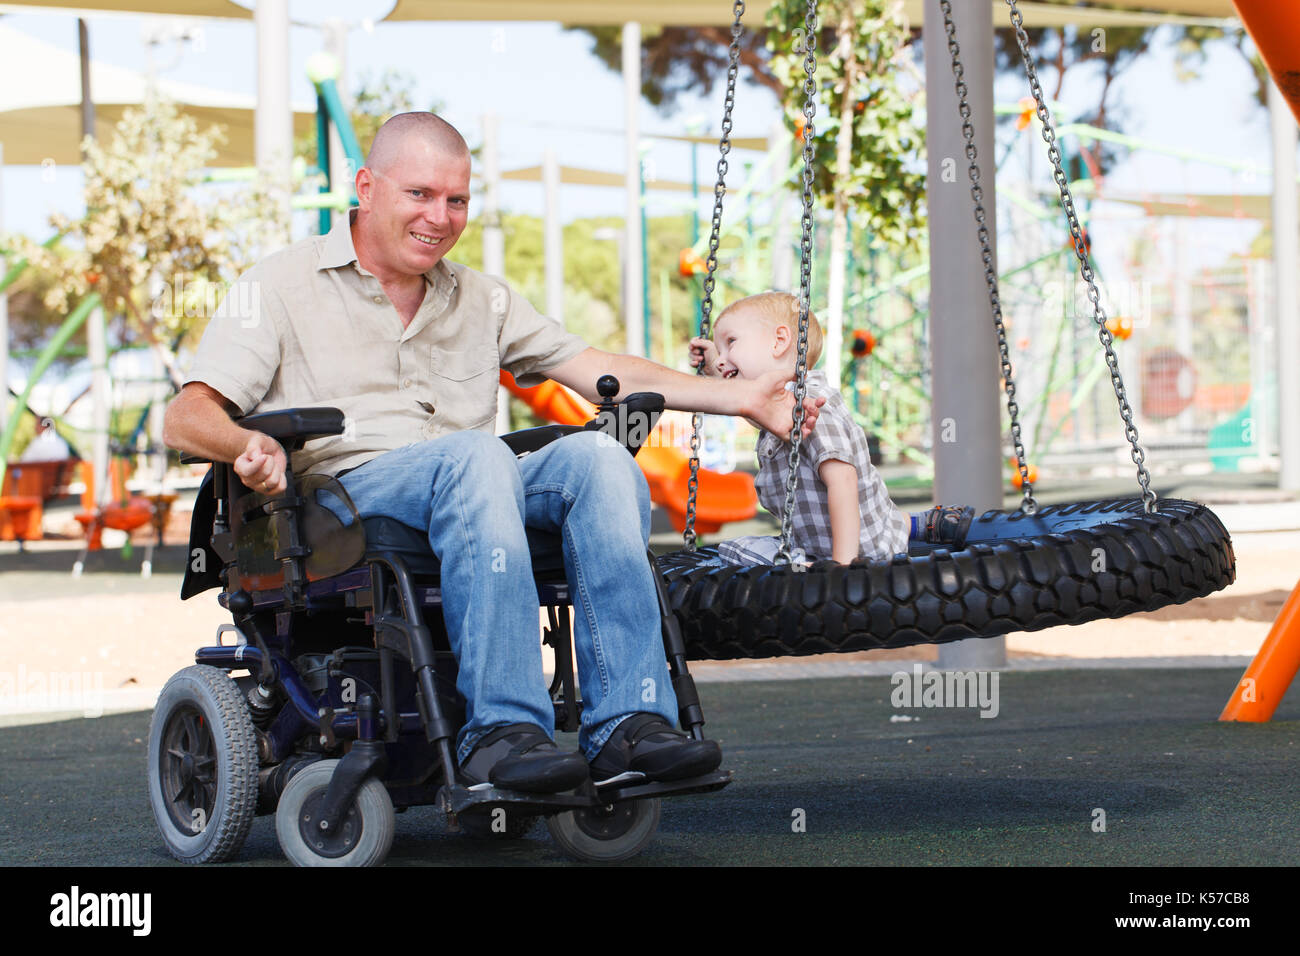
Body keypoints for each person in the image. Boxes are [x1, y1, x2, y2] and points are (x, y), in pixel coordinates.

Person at [163, 112, 825, 794]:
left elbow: (600, 368)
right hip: (340, 500)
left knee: (599, 460)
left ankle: (627, 724)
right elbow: (184, 417)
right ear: (366, 186)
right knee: (477, 456)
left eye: (457, 200)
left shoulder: (483, 298)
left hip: (472, 484)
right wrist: (245, 442)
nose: (440, 217)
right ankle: (500, 733)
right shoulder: (278, 285)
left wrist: (743, 399)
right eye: (419, 194)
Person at [689, 292, 973, 566]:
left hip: (849, 550)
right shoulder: (780, 406)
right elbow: (747, 406)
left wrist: (843, 567)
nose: (722, 358)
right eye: (720, 349)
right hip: (838, 535)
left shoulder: (811, 406)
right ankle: (912, 524)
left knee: (735, 550)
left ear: (779, 341)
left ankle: (816, 566)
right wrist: (714, 365)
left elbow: (843, 481)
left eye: (731, 342)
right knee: (868, 504)